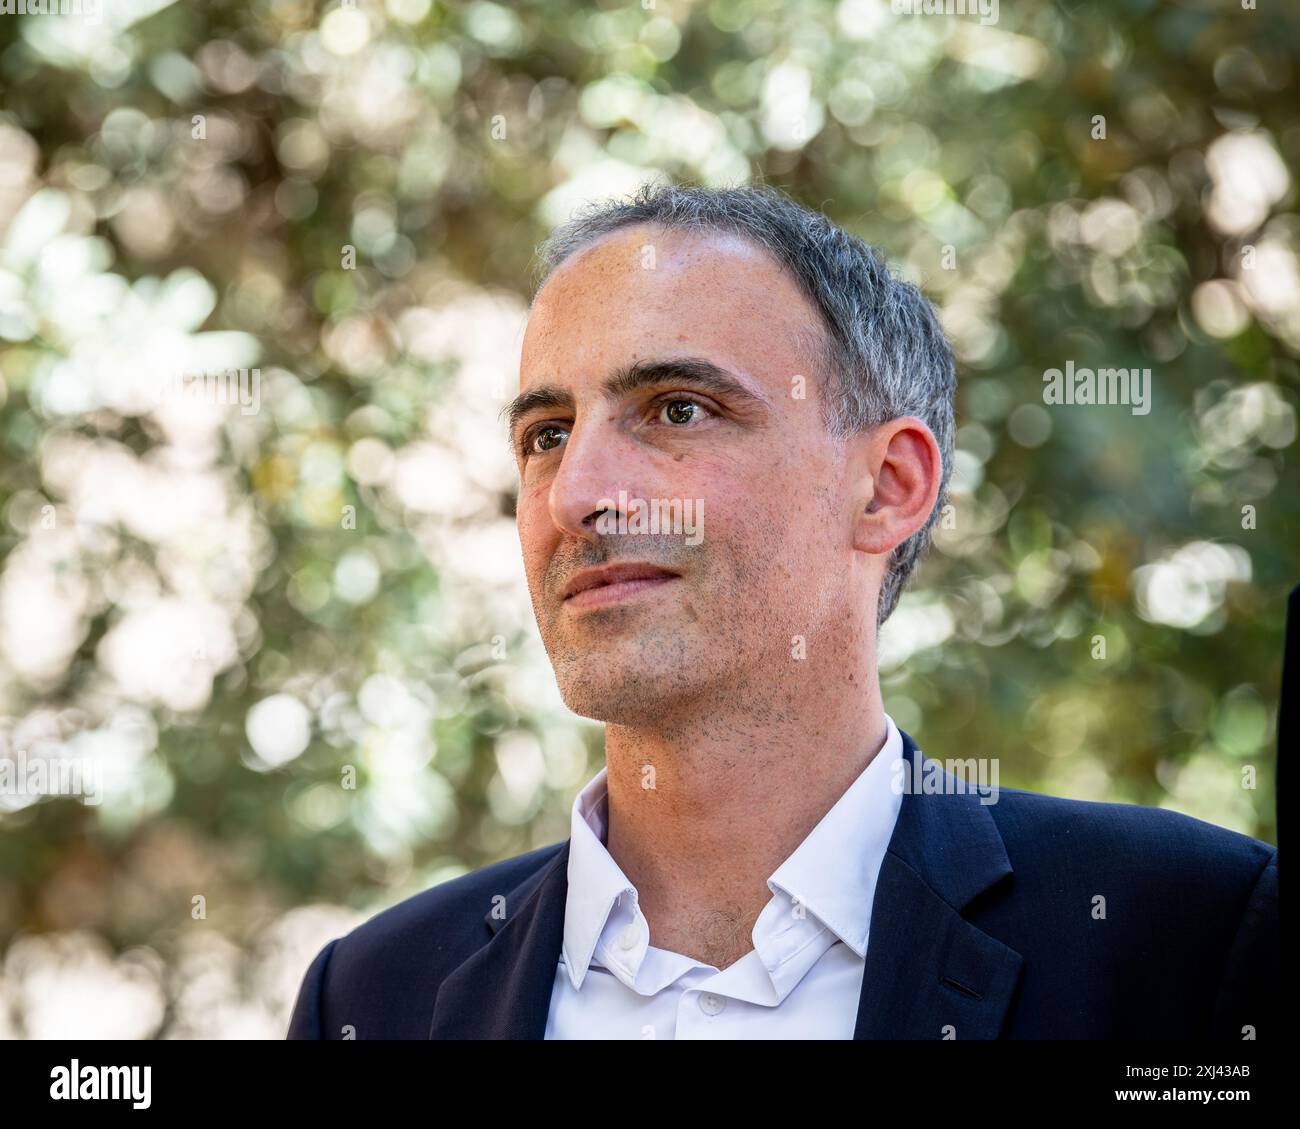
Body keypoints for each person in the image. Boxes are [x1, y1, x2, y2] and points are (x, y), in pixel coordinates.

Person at [287, 183, 1278, 1039]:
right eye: (547, 432)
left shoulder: (1185, 939)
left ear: (887, 486)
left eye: (677, 409)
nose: (575, 493)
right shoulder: (371, 996)